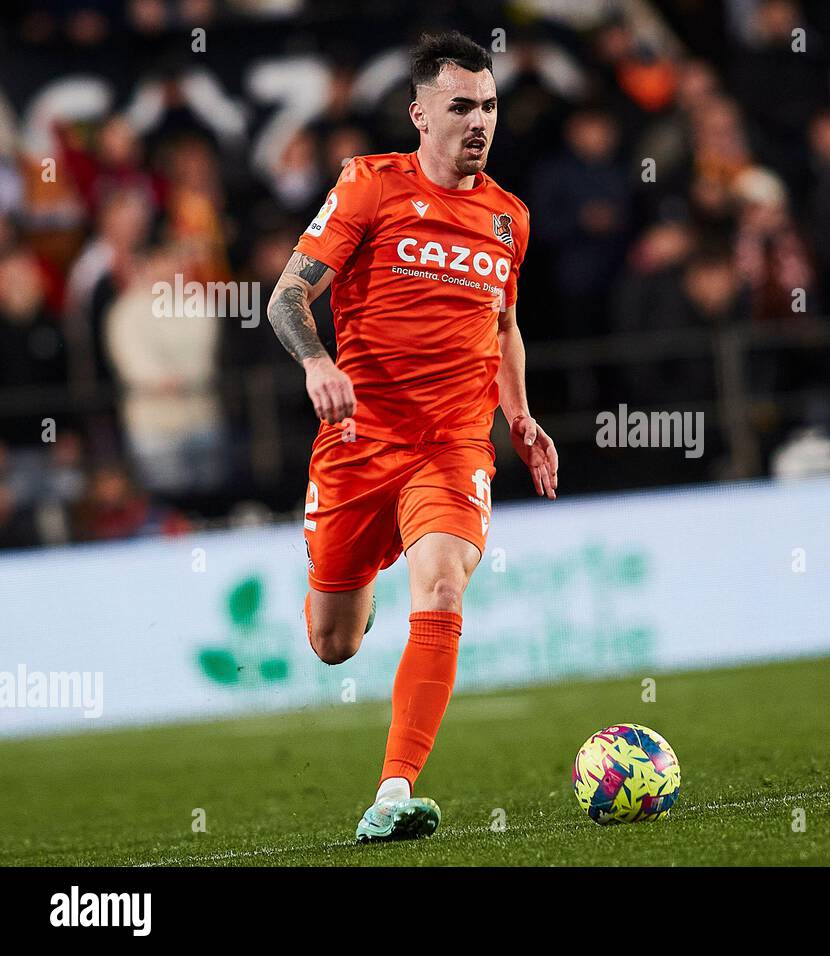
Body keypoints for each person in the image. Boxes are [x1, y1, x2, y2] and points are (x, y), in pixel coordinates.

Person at [265, 31, 559, 844]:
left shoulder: (508, 219)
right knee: (333, 644)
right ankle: (354, 566)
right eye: (461, 106)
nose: (479, 122)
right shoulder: (368, 187)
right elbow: (287, 299)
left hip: (453, 445)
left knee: (441, 584)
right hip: (359, 445)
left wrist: (520, 414)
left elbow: (503, 325)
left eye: (489, 105)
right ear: (419, 113)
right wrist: (319, 363)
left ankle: (393, 791)